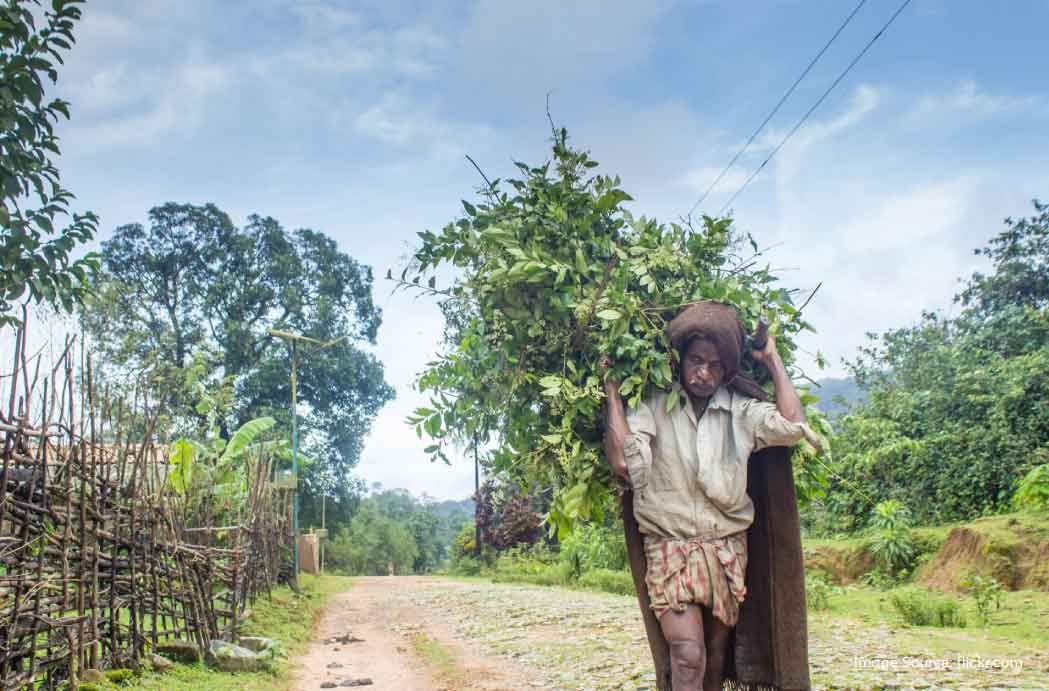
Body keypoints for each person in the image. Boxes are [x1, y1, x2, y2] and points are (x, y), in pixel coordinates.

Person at [602, 301, 820, 691]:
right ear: (680, 360)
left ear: (727, 370)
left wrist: (773, 360)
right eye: (696, 361)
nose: (703, 373)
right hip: (669, 550)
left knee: (715, 661)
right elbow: (623, 462)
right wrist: (612, 392)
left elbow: (793, 427)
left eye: (715, 365)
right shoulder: (653, 404)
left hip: (726, 551)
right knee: (688, 654)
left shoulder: (741, 411)